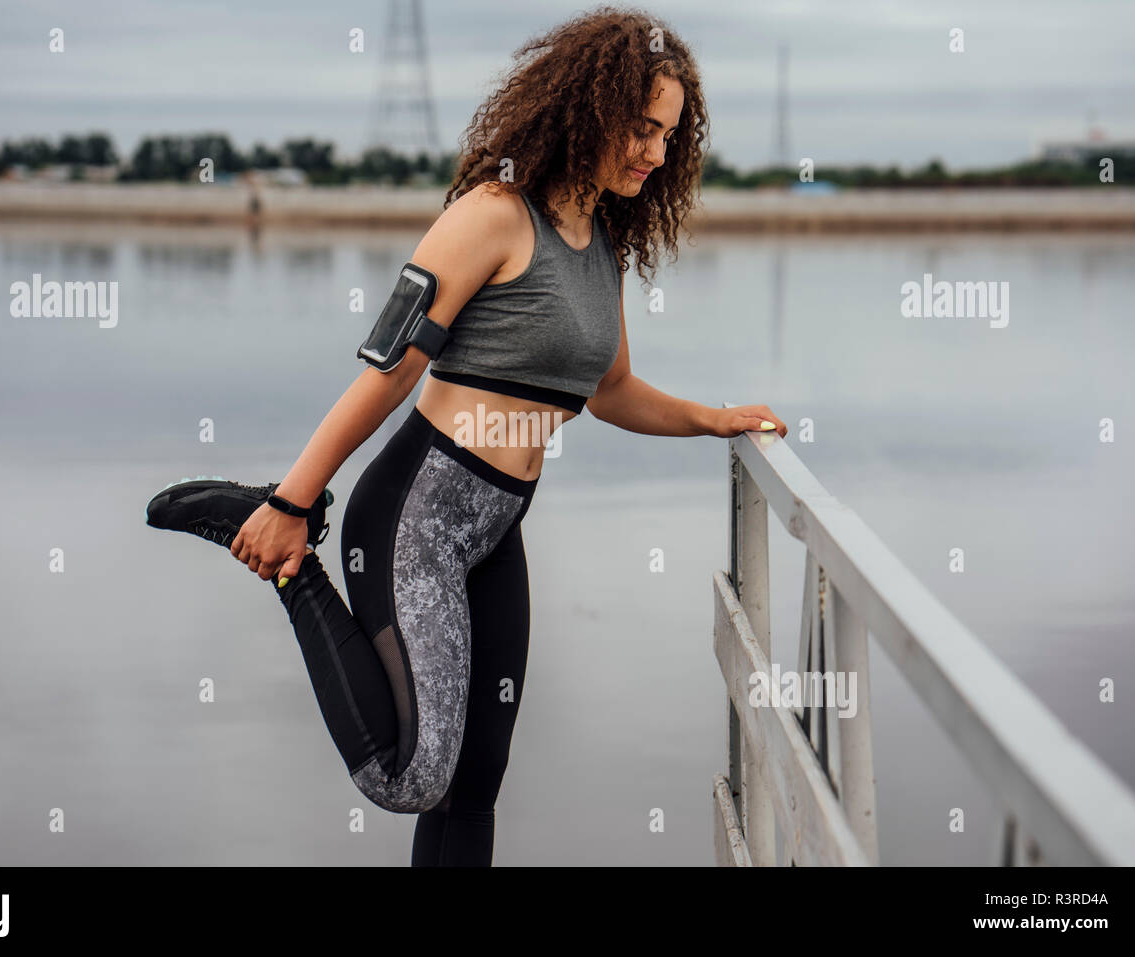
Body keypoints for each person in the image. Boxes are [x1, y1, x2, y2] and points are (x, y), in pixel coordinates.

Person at [146, 6, 787, 866]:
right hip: (416, 517)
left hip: (495, 528)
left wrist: (716, 419)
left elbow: (612, 389)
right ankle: (288, 559)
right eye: (641, 129)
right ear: (588, 108)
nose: (656, 154)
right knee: (410, 777)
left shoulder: (601, 239)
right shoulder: (492, 213)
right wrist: (296, 499)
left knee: (475, 782)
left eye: (670, 137)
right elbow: (389, 369)